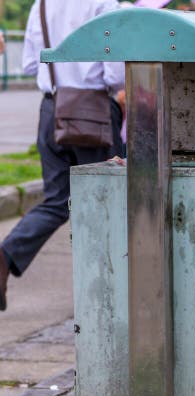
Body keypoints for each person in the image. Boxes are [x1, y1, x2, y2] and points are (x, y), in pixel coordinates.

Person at [0, 0, 125, 312]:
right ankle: (106, 289)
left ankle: (5, 256)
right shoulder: (104, 4)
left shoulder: (42, 4)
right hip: (93, 111)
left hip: (51, 109)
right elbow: (116, 73)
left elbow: (30, 64)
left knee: (57, 200)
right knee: (108, 202)